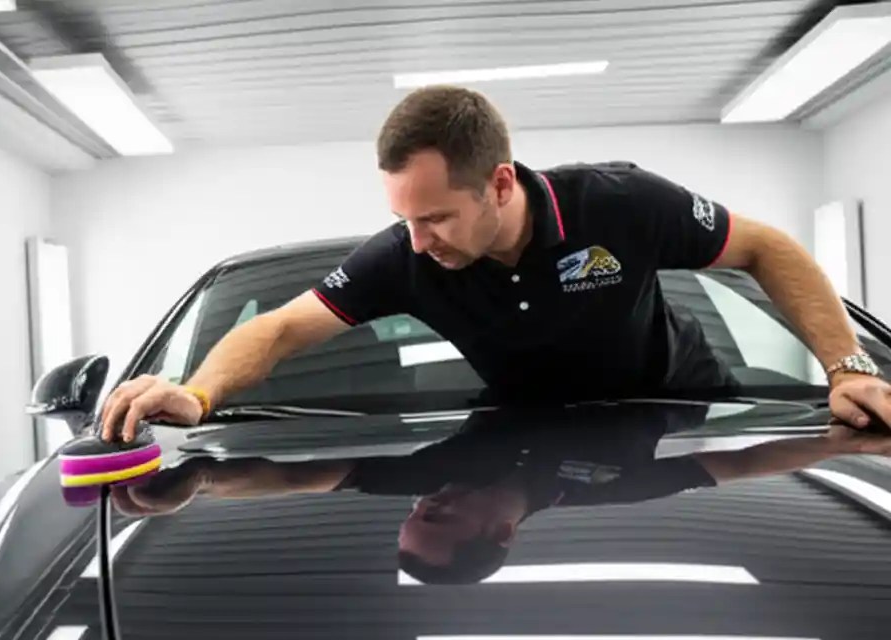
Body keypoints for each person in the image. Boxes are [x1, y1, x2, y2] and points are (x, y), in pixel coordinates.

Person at [101, 85, 891, 442]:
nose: (418, 240)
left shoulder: (622, 204)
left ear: (501, 182)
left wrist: (848, 367)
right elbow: (277, 330)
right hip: (511, 439)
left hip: (694, 421)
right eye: (402, 219)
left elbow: (766, 247)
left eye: (436, 215)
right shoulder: (405, 258)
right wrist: (198, 392)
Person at [107, 403, 891, 584]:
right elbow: (746, 461)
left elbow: (293, 476)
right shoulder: (611, 491)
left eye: (417, 517)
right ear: (504, 536)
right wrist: (847, 438)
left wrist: (202, 478)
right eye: (438, 520)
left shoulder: (418, 472)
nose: (424, 505)